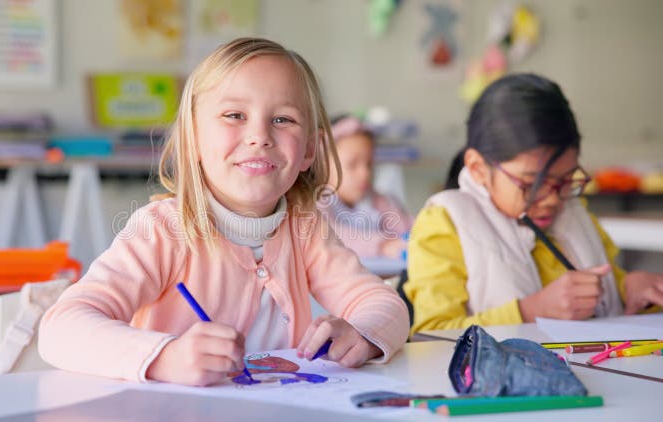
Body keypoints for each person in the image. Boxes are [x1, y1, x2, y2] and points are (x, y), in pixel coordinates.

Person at [38, 38, 409, 386]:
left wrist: (362, 333)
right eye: (234, 115)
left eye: (283, 119)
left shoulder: (306, 228)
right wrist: (166, 358)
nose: (259, 136)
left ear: (309, 150)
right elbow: (61, 327)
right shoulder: (162, 230)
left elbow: (385, 305)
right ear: (194, 139)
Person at [404, 73, 663, 334]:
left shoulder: (574, 212)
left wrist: (631, 287)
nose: (552, 199)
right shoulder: (445, 223)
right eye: (531, 185)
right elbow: (430, 334)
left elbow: (607, 287)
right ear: (478, 168)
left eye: (565, 180)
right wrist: (531, 311)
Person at [318, 115, 412, 258]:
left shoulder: (376, 200)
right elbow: (330, 236)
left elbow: (406, 226)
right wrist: (384, 245)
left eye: (369, 164)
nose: (365, 174)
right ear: (323, 164)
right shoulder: (315, 203)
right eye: (352, 164)